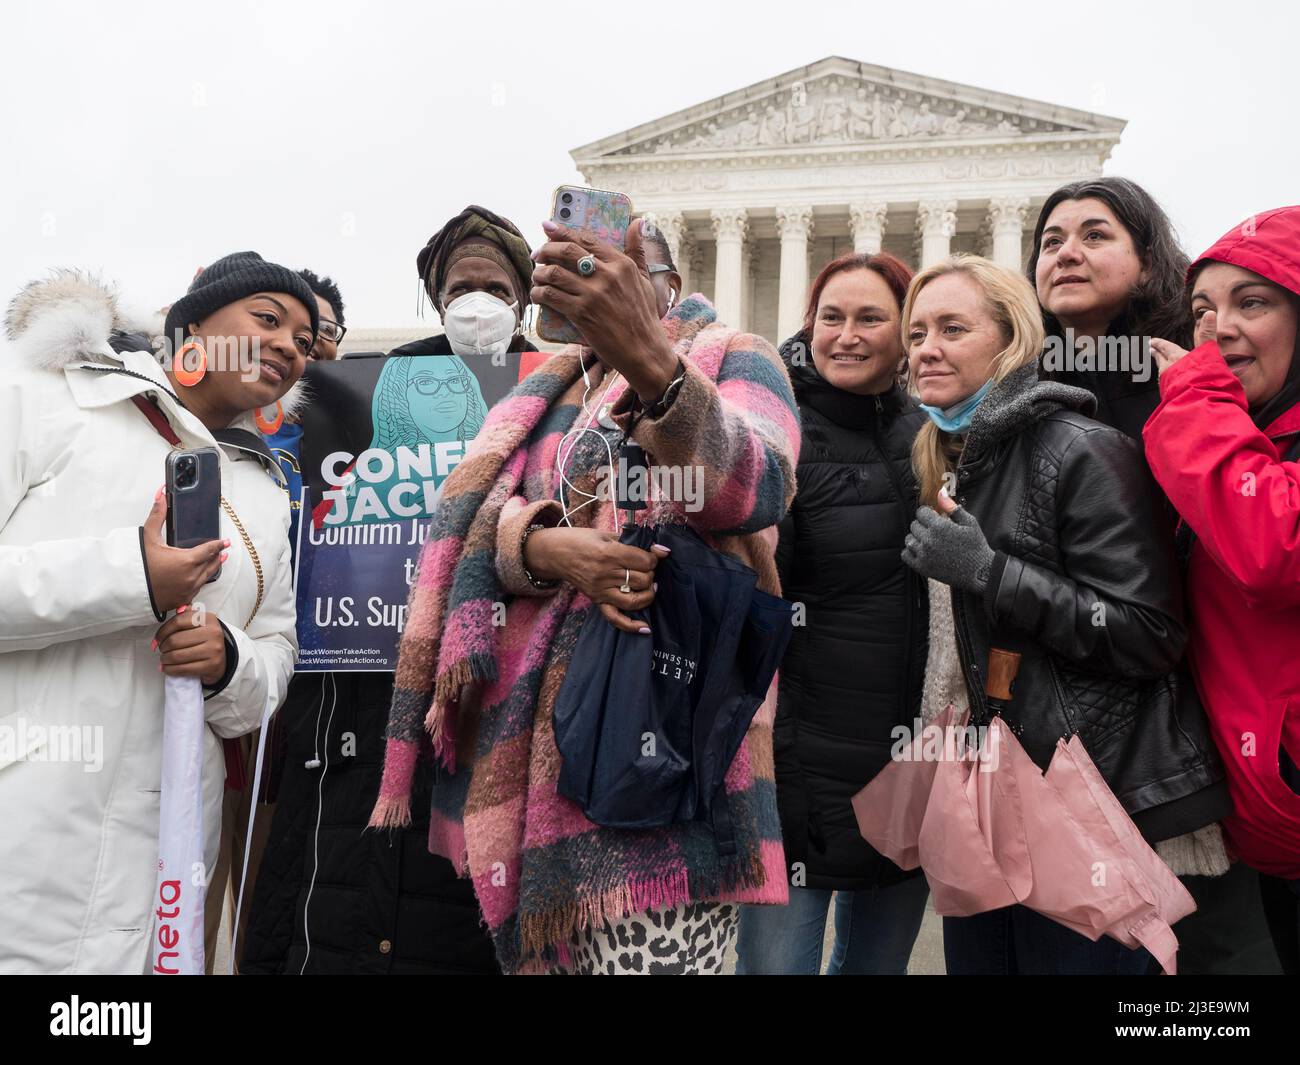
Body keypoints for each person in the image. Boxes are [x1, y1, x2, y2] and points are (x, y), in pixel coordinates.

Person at [370, 215, 799, 975]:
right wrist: (541, 549)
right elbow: (472, 528)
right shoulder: (549, 387)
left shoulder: (738, 356)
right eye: (574, 266)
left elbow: (753, 488)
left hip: (662, 762)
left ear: (666, 284)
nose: (595, 280)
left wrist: (652, 361)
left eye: (622, 269)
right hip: (529, 768)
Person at [899, 255, 1227, 975]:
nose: (926, 347)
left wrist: (990, 573)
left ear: (1011, 337)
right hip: (988, 806)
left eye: (953, 327)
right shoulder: (948, 458)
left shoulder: (1083, 449)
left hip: (1085, 808)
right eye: (917, 331)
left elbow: (1148, 634)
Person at [241, 214, 546, 975]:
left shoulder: (554, 388)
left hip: (493, 687)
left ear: (524, 301)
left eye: (496, 288)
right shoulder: (363, 390)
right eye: (460, 288)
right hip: (358, 682)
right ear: (435, 298)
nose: (478, 302)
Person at [0, 253, 310, 973]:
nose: (291, 346)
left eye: (304, 339)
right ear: (190, 325)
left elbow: (276, 656)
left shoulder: (264, 493)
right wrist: (133, 577)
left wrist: (229, 662)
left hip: (168, 879)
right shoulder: (50, 398)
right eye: (268, 319)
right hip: (27, 846)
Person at [1030, 179, 1277, 974]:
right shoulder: (1019, 390)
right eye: (1051, 239)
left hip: (1196, 737)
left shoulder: (1202, 379)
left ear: (1146, 264)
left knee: (1210, 960)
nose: (1066, 250)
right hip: (1065, 737)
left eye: (1095, 235)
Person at [735, 252, 930, 974]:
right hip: (798, 768)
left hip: (907, 763)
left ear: (904, 331)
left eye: (870, 318)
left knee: (878, 966)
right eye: (830, 317)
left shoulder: (931, 432)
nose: (845, 335)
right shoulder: (772, 430)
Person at [1145, 205, 1300, 975]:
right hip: (1259, 827)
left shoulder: (1208, 416)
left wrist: (1196, 396)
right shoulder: (1254, 431)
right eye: (1202, 308)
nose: (1218, 328)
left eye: (1254, 302)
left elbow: (1271, 548)